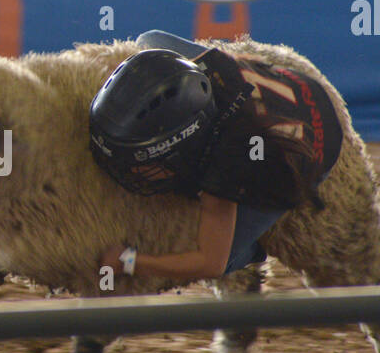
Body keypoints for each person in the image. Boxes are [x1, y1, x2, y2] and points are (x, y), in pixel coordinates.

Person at [90, 31, 343, 283]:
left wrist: (129, 261)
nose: (135, 172)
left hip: (321, 138)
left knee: (225, 256)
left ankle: (254, 249)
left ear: (186, 149)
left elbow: (209, 263)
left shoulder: (225, 166)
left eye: (145, 164)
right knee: (148, 37)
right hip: (288, 87)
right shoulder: (192, 68)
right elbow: (151, 41)